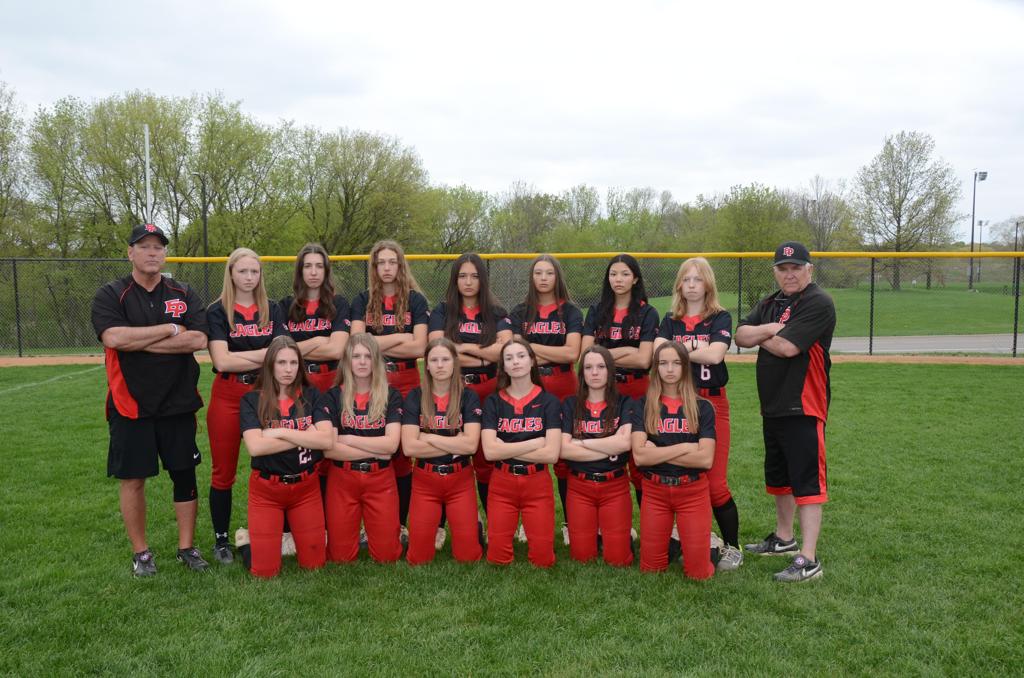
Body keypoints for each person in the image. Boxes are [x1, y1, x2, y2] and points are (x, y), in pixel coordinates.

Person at [91, 223, 210, 576]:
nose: (152, 252)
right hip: (130, 403)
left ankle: (187, 548)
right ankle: (141, 553)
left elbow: (198, 340)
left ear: (165, 253)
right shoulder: (111, 294)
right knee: (133, 479)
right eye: (144, 246)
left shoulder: (183, 292)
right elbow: (114, 338)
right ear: (130, 253)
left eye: (158, 246)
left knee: (184, 475)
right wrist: (170, 329)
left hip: (179, 401)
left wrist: (139, 342)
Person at [735, 241, 836, 583]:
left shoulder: (818, 302)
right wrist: (769, 329)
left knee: (806, 482)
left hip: (804, 405)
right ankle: (784, 538)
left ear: (810, 269)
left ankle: (808, 557)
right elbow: (740, 335)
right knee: (779, 478)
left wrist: (760, 335)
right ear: (775, 272)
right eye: (783, 268)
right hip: (773, 405)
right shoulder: (770, 303)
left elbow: (788, 347)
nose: (789, 274)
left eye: (796, 268)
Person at [654, 257, 742, 571]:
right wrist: (690, 351)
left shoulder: (720, 317)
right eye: (686, 279)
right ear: (679, 284)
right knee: (678, 472)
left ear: (708, 284)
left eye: (698, 279)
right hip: (675, 405)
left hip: (712, 402)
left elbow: (715, 355)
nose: (691, 285)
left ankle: (733, 546)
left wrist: (677, 353)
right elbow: (658, 355)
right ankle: (684, 536)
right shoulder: (670, 320)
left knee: (715, 483)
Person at [206, 247, 286, 564]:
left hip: (265, 394)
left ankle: (280, 530)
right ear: (231, 273)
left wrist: (246, 357)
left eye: (254, 271)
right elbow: (222, 361)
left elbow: (280, 356)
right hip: (228, 394)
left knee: (275, 463)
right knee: (223, 472)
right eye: (243, 271)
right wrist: (264, 355)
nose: (249, 277)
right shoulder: (217, 311)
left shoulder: (273, 308)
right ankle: (221, 540)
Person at [349, 240, 429, 536]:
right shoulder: (362, 299)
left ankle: (401, 523)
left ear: (400, 265)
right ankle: (370, 523)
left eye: (392, 262)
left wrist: (373, 344)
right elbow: (355, 346)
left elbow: (419, 347)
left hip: (407, 380)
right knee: (370, 448)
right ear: (373, 267)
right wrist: (401, 338)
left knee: (403, 455)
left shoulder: (415, 300)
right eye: (380, 262)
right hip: (372, 381)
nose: (386, 268)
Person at [239, 336, 334, 578]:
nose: (288, 369)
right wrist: (306, 434)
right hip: (266, 491)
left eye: (293, 363)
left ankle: (283, 540)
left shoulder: (312, 395)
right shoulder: (252, 399)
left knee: (315, 564)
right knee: (265, 571)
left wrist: (280, 432)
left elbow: (326, 441)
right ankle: (247, 543)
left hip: (306, 489)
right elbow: (256, 447)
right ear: (270, 365)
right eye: (281, 362)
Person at [428, 253, 512, 525]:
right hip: (452, 388)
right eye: (462, 276)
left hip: (489, 388)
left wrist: (462, 347)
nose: (468, 282)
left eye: (474, 276)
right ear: (455, 279)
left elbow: (504, 351)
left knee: (486, 458)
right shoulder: (442, 311)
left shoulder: (496, 312)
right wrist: (483, 354)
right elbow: (437, 351)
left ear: (482, 280)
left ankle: (492, 522)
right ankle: (440, 524)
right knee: (445, 451)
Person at [508, 254, 583, 544]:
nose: (543, 278)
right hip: (529, 384)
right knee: (527, 449)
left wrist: (530, 349)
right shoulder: (520, 311)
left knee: (564, 457)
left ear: (557, 277)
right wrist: (540, 353)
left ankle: (570, 521)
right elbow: (515, 354)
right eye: (538, 272)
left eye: (549, 273)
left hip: (564, 384)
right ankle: (526, 521)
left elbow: (571, 353)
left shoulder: (570, 311)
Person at [631, 341, 716, 580]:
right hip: (655, 490)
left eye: (676, 363)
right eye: (663, 363)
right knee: (651, 570)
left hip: (692, 491)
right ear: (656, 367)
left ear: (685, 367)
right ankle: (683, 543)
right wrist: (686, 447)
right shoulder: (644, 405)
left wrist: (657, 452)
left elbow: (705, 459)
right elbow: (639, 457)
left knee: (698, 574)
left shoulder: (702, 407)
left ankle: (708, 547)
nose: (670, 369)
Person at [581, 254, 659, 506]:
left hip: (635, 388)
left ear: (635, 279)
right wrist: (627, 351)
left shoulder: (647, 312)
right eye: (613, 274)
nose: (618, 279)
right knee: (603, 451)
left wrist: (602, 356)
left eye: (625, 274)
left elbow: (644, 360)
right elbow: (584, 356)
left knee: (638, 459)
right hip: (601, 390)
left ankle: (650, 521)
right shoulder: (596, 311)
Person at [321, 333, 404, 563]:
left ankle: (377, 534)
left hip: (380, 479)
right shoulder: (333, 396)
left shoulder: (391, 395)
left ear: (376, 360)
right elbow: (329, 450)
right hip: (342, 478)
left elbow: (391, 446)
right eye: (356, 356)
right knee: (340, 558)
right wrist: (378, 450)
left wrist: (348, 438)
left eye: (368, 356)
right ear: (347, 361)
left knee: (387, 556)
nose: (362, 362)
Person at [401, 338, 484, 565]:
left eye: (445, 359)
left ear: (455, 363)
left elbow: (471, 446)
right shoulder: (415, 396)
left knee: (469, 557)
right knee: (418, 558)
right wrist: (454, 441)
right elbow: (409, 447)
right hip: (425, 480)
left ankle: (472, 525)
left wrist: (427, 437)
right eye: (434, 360)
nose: (439, 365)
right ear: (426, 365)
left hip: (460, 479)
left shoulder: (468, 396)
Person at [481, 338, 562, 568]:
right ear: (503, 367)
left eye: (521, 356)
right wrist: (536, 442)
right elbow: (489, 452)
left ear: (532, 361)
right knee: (497, 559)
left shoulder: (549, 401)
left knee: (543, 560)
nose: (515, 362)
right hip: (502, 483)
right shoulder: (493, 401)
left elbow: (551, 455)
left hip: (537, 482)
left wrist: (504, 449)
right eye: (509, 358)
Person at [559, 346, 633, 566]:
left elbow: (624, 443)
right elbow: (563, 450)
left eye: (601, 367)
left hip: (615, 486)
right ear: (581, 373)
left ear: (610, 370)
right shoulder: (570, 404)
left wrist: (581, 443)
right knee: (582, 557)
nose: (594, 372)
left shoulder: (624, 403)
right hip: (579, 487)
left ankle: (618, 535)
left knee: (618, 560)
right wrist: (608, 446)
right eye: (588, 367)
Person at [280, 243, 350, 393]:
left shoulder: (339, 303)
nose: (313, 272)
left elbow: (336, 351)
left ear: (326, 271)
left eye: (319, 266)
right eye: (307, 266)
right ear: (300, 271)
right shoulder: (285, 305)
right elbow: (281, 352)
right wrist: (318, 341)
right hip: (296, 379)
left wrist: (295, 349)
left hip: (331, 380)